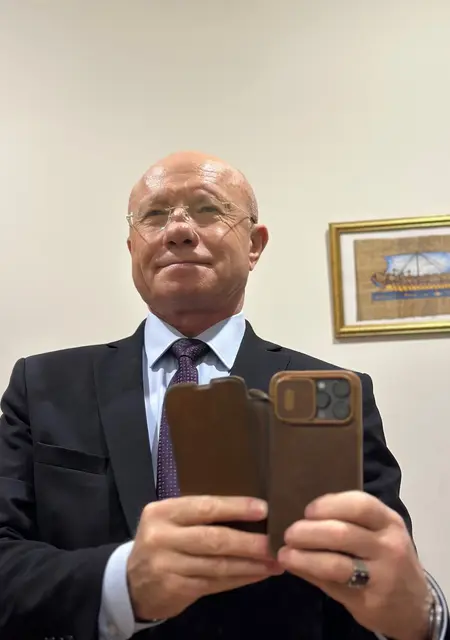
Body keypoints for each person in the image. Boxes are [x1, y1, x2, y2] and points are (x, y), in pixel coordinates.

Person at [0, 151, 447, 640]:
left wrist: (424, 618)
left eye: (207, 209)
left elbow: (380, 578)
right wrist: (122, 584)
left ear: (254, 245)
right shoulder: (42, 385)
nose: (177, 230)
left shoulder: (333, 392)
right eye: (154, 215)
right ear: (132, 247)